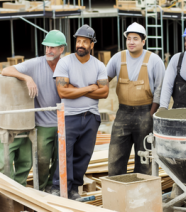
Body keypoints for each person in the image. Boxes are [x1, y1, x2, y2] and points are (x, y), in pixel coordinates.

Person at [1, 30, 66, 191]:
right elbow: (5, 70)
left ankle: (54, 186)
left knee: (62, 159)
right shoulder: (35, 64)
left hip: (64, 121)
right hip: (43, 122)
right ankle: (41, 189)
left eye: (53, 47)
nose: (48, 50)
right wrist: (27, 78)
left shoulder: (66, 65)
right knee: (42, 160)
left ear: (61, 49)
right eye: (46, 47)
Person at [51, 24, 109, 200]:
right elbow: (63, 92)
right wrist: (90, 88)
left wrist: (76, 89)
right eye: (78, 41)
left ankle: (74, 188)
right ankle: (58, 187)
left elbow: (104, 92)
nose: (81, 44)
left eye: (85, 41)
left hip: (91, 117)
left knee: (84, 154)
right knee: (65, 153)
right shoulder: (65, 62)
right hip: (69, 116)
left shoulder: (99, 65)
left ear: (92, 44)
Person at [106, 22, 165, 176]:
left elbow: (160, 90)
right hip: (123, 112)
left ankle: (143, 193)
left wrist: (151, 114)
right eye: (129, 38)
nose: (131, 42)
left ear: (143, 41)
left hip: (146, 112)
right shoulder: (118, 58)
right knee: (115, 156)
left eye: (135, 39)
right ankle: (117, 191)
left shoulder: (154, 60)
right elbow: (104, 80)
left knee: (145, 159)